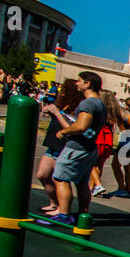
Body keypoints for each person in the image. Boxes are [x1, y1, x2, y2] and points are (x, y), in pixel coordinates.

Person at [50, 71, 106, 223]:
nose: (76, 83)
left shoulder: (88, 103)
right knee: (82, 181)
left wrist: (64, 131)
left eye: (79, 81)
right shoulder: (100, 104)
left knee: (61, 178)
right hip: (89, 147)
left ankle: (64, 215)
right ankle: (83, 214)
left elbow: (81, 126)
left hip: (77, 147)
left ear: (87, 84)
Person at [36, 78, 81, 215]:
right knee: (42, 175)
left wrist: (57, 113)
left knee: (60, 179)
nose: (61, 92)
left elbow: (71, 126)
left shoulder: (76, 108)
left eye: (64, 90)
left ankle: (62, 208)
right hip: (52, 143)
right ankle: (54, 203)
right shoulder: (62, 105)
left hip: (63, 146)